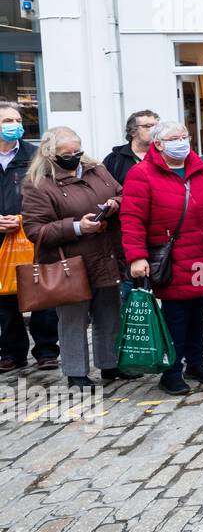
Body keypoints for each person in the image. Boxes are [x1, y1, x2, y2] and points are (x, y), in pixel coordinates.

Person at [120, 121, 203, 396]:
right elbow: (132, 219)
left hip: (202, 254)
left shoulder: (200, 169)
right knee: (176, 316)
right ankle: (171, 371)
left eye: (184, 136)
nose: (181, 141)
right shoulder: (141, 174)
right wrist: (136, 257)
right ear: (158, 144)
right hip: (172, 256)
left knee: (197, 311)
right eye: (174, 138)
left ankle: (196, 361)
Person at [21, 128, 132, 389]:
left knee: (109, 313)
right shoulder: (38, 183)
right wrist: (77, 227)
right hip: (70, 262)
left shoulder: (96, 169)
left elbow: (121, 192)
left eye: (77, 151)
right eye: (67, 153)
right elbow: (35, 230)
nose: (74, 156)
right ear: (50, 154)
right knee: (74, 319)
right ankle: (76, 372)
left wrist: (116, 203)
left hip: (105, 254)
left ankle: (110, 364)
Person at [0, 101, 59, 372]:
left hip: (32, 234)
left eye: (16, 120)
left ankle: (47, 350)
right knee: (4, 298)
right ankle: (12, 351)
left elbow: (51, 195)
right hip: (1, 242)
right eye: (6, 121)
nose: (14, 126)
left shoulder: (35, 157)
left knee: (42, 293)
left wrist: (25, 219)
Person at [103, 109, 159, 188]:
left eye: (157, 126)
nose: (155, 130)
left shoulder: (166, 155)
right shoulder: (114, 159)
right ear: (133, 132)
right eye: (148, 126)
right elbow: (106, 188)